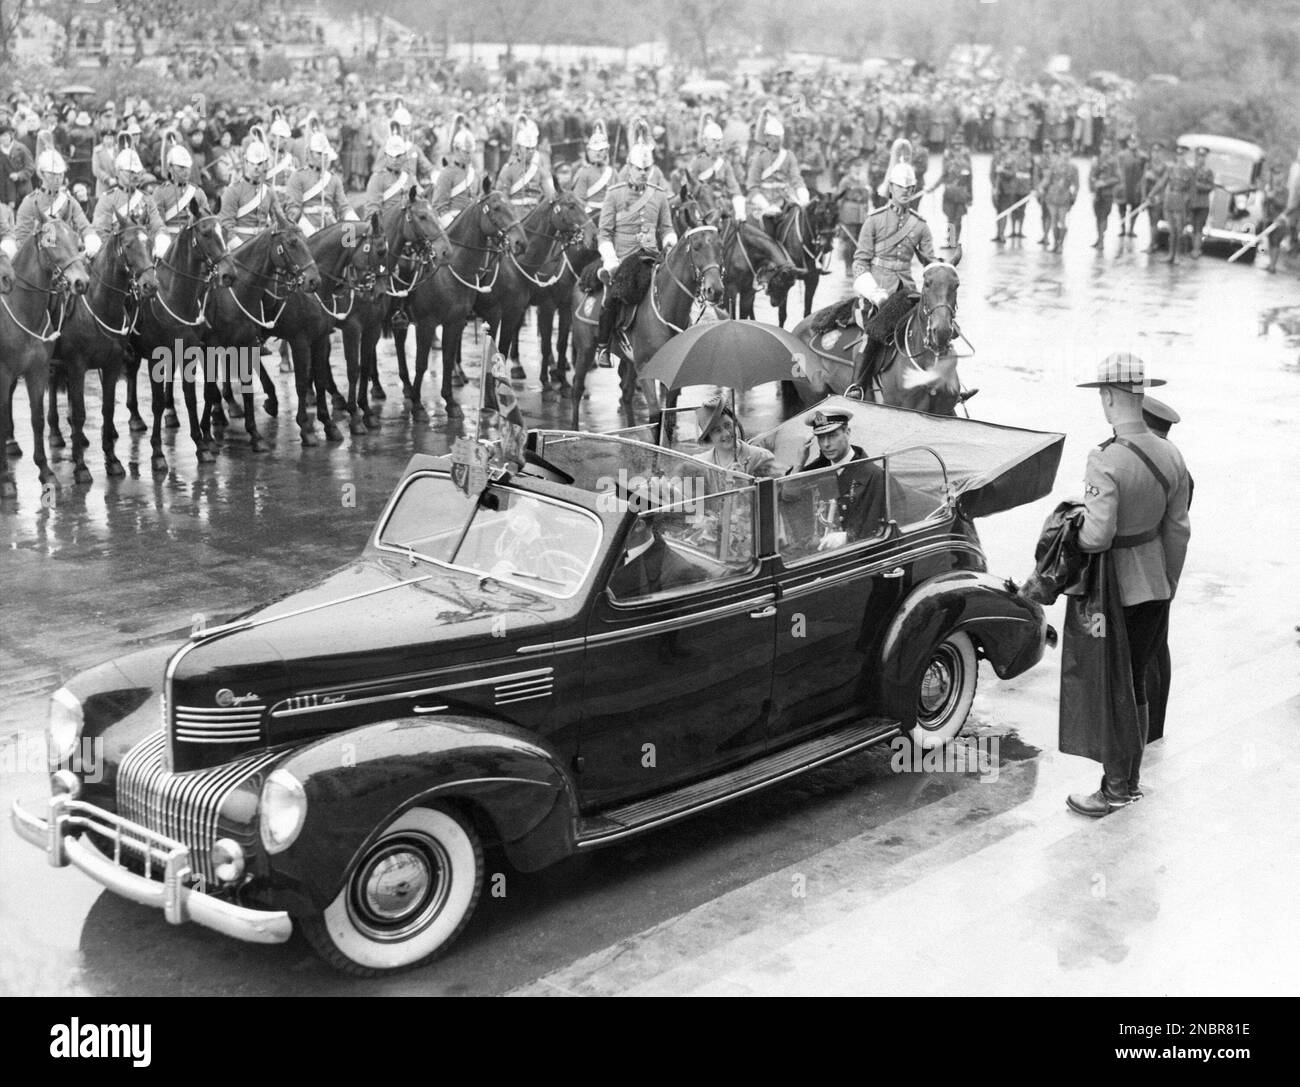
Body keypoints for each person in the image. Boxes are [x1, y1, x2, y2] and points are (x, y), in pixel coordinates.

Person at [1066, 354, 1191, 816]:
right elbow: (1178, 530)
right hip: (1155, 584)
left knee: (1114, 687)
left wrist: (1069, 528)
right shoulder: (1171, 453)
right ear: (1140, 395)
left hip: (1116, 591)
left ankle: (1115, 788)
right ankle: (1129, 781)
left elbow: (1096, 536)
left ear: (1109, 397)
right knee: (1136, 683)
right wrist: (1168, 580)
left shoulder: (1106, 459)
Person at [593, 141, 676, 368]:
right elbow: (604, 233)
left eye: (646, 169)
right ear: (629, 167)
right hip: (622, 259)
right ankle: (603, 347)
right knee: (613, 297)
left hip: (651, 257)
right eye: (639, 169)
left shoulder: (659, 196)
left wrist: (670, 241)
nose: (643, 173)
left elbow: (666, 228)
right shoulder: (614, 194)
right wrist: (610, 258)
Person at [1139, 394, 1191, 744]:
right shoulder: (1178, 466)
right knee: (1158, 647)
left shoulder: (1151, 466)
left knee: (1144, 652)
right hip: (1164, 569)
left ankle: (1147, 728)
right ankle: (1154, 726)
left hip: (1145, 569)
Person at [796, 408, 888, 550]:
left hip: (854, 557)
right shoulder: (818, 469)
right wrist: (799, 463)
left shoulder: (873, 475)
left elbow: (881, 529)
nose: (826, 444)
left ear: (848, 432)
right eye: (821, 437)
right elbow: (788, 497)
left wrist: (848, 537)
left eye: (832, 435)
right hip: (816, 552)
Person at [13, 139, 100, 256]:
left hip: (68, 257)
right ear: (42, 174)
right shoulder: (30, 203)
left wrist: (91, 239)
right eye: (53, 174)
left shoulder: (69, 201)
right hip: (40, 259)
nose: (58, 178)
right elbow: (22, 238)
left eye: (61, 174)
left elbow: (84, 225)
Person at [607, 509, 708, 599]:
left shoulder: (678, 573)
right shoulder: (607, 546)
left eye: (614, 518)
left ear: (639, 526)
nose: (608, 523)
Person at [91, 135, 166, 254]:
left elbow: (157, 226)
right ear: (118, 172)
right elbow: (100, 231)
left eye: (138, 172)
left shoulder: (147, 199)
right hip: (117, 254)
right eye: (131, 172)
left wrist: (161, 240)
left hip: (143, 253)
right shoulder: (108, 199)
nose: (136, 175)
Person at [283, 129, 356, 236]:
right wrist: (311, 233)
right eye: (319, 154)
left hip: (330, 229)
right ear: (309, 153)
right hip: (306, 232)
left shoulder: (333, 179)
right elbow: (293, 210)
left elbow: (343, 207)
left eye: (326, 154)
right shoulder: (297, 176)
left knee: (351, 245)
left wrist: (357, 225)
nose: (324, 158)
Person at [694, 395, 784, 477]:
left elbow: (774, 492)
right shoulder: (698, 463)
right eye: (718, 430)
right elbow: (691, 493)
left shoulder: (762, 458)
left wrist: (745, 482)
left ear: (735, 423)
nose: (726, 433)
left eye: (728, 425)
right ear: (709, 437)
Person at [746, 108, 807, 223]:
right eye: (774, 137)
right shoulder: (759, 158)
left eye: (779, 137)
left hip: (786, 198)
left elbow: (796, 179)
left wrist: (803, 195)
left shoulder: (789, 156)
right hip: (764, 200)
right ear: (767, 137)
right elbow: (752, 186)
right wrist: (766, 206)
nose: (777, 140)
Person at [218, 136, 276, 248]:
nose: (256, 168)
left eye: (259, 164)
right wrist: (243, 249)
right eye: (252, 163)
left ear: (265, 164)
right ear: (246, 162)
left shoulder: (268, 191)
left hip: (265, 245)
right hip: (240, 248)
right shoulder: (233, 190)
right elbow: (225, 226)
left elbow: (278, 221)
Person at [494, 112, 555, 218]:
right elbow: (501, 198)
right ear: (519, 148)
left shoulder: (539, 170)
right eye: (527, 148)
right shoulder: (508, 169)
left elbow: (550, 196)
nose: (530, 152)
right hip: (514, 217)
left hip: (535, 216)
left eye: (533, 148)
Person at [691, 115, 746, 224]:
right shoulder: (697, 162)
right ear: (706, 142)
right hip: (702, 205)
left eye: (720, 141)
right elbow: (689, 186)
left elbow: (733, 186)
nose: (718, 144)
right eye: (714, 141)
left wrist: (739, 206)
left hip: (721, 204)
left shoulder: (724, 163)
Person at [428, 115, 478, 228]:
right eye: (466, 152)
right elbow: (439, 206)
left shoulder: (474, 174)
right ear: (457, 149)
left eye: (471, 152)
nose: (470, 156)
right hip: (453, 225)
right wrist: (454, 228)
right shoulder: (447, 174)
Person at [1148, 144, 1194, 263]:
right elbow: (1161, 183)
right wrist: (1151, 194)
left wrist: (1188, 206)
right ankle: (1170, 254)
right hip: (1170, 200)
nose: (1180, 157)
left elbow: (1191, 191)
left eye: (1182, 154)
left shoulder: (1189, 171)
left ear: (1186, 156)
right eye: (1178, 154)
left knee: (1179, 230)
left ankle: (1177, 255)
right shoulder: (1171, 168)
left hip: (1181, 200)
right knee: (1172, 230)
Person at [927, 131, 972, 247]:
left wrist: (970, 196)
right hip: (949, 193)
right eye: (955, 144)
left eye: (959, 144)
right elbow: (943, 176)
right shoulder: (947, 159)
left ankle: (955, 241)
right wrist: (933, 187)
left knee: (958, 218)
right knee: (950, 218)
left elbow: (969, 179)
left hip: (961, 193)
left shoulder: (966, 160)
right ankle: (951, 241)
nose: (957, 147)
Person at [363, 131, 417, 219]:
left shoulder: (408, 176)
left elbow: (418, 198)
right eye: (391, 156)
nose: (394, 160)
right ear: (385, 155)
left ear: (405, 155)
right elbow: (372, 211)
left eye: (398, 156)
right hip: (387, 225)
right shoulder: (377, 179)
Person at [569, 120, 615, 219]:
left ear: (606, 151)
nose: (598, 153)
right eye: (594, 150)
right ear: (589, 151)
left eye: (601, 150)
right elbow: (578, 200)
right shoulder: (584, 173)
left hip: (610, 215)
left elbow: (620, 198)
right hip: (590, 216)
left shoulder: (612, 172)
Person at [1040, 144, 1079, 253]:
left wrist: (1074, 196)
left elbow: (1076, 184)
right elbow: (1047, 179)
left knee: (1062, 221)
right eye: (1063, 151)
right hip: (1052, 196)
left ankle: (1060, 244)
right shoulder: (1054, 165)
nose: (1065, 154)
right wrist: (1040, 187)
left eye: (1067, 151)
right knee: (1054, 220)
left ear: (1071, 153)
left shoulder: (1073, 168)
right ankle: (1055, 243)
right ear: (1060, 152)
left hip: (1064, 197)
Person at [1116, 134, 1146, 238]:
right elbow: (1118, 170)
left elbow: (1144, 172)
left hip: (1136, 186)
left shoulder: (1143, 156)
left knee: (1135, 208)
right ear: (1128, 142)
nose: (1133, 143)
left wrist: (1141, 187)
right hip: (1124, 185)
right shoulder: (1122, 155)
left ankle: (1131, 229)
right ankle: (1123, 229)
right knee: (1122, 208)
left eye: (1135, 141)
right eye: (1131, 141)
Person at [1189, 145, 1215, 259]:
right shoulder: (1191, 170)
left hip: (1203, 204)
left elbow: (1210, 187)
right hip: (1191, 202)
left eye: (1203, 156)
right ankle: (1191, 247)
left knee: (1199, 227)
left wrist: (1200, 186)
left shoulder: (1208, 172)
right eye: (1199, 156)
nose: (1201, 158)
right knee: (1192, 226)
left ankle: (1196, 249)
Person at [990, 137, 1017, 243]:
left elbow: (1013, 173)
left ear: (1009, 146)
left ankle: (1002, 234)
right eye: (1001, 146)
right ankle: (998, 233)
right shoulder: (996, 158)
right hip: (997, 189)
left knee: (1004, 211)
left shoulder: (1012, 158)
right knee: (998, 211)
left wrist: (1004, 171)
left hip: (1007, 189)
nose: (1003, 148)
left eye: (1005, 146)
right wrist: (994, 186)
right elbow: (992, 173)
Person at [1008, 135, 1035, 239]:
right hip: (1014, 186)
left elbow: (1033, 172)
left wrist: (1033, 187)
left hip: (1025, 187)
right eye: (1021, 144)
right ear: (1018, 146)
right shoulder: (1013, 156)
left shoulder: (1030, 157)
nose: (1023, 147)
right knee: (1013, 209)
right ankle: (1013, 230)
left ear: (1027, 146)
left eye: (1025, 144)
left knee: (1022, 210)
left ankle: (1020, 230)